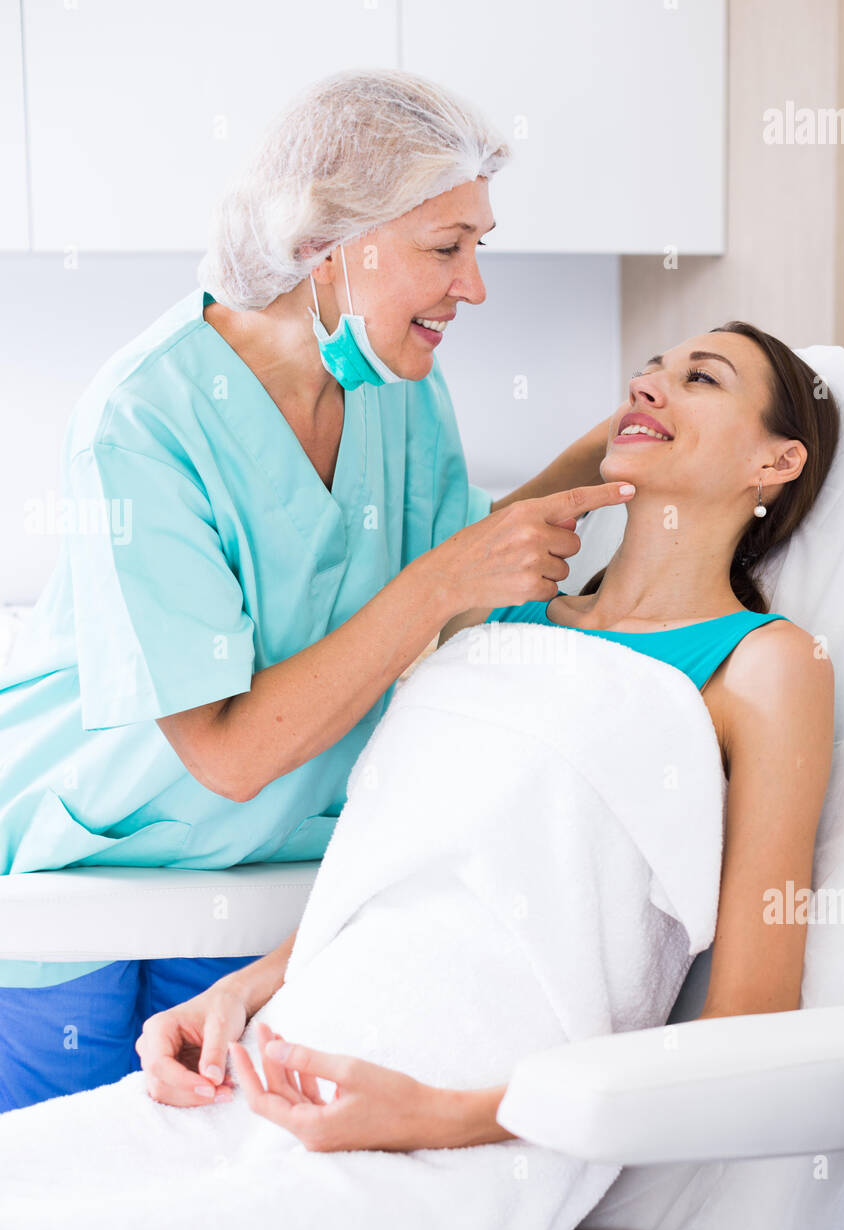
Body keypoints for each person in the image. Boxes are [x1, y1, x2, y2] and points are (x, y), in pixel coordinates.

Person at [0, 69, 623, 1113]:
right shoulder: (143, 419)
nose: (473, 288)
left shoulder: (397, 390)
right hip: (80, 865)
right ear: (321, 243)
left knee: (209, 1182)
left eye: (480, 247)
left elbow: (464, 592)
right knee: (50, 1187)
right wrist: (441, 584)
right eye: (444, 248)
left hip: (274, 867)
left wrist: (616, 451)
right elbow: (229, 752)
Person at [145, 321, 840, 1154]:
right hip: (291, 1051)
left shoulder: (767, 665)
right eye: (648, 371)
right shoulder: (490, 616)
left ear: (776, 462)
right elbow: (409, 864)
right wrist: (246, 989)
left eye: (702, 380)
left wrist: (445, 1118)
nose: (648, 384)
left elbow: (751, 1022)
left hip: (478, 1124)